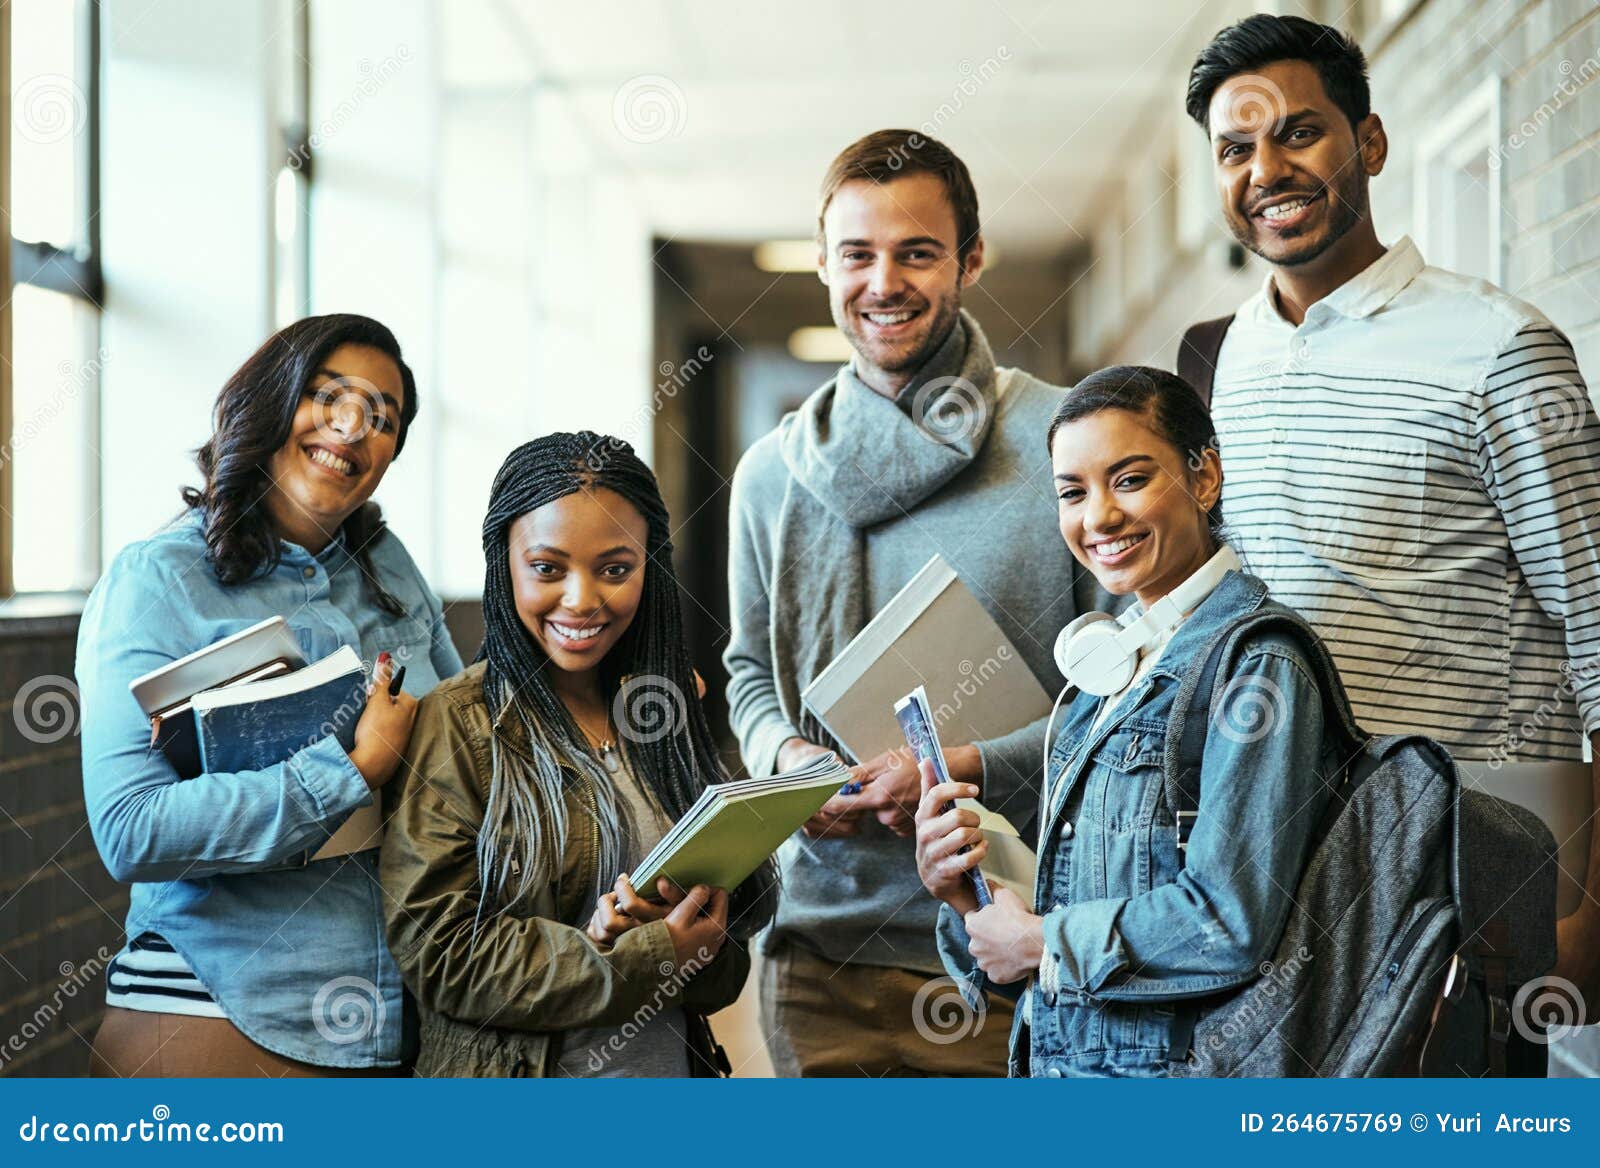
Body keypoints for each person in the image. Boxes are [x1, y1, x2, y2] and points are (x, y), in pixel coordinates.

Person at [1182, 13, 1600, 1012]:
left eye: (1298, 132)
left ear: (1367, 142)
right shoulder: (1225, 359)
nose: (1265, 170)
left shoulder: (1499, 346)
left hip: (1484, 858)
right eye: (1234, 149)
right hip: (1292, 861)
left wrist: (1593, 906)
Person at [723, 128, 1085, 1075]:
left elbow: (1127, 700)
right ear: (823, 263)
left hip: (1013, 933)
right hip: (820, 953)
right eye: (858, 253)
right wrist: (789, 758)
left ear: (970, 259)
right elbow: (749, 675)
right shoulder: (770, 476)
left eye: (917, 251)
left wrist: (963, 764)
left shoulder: (1062, 438)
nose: (884, 281)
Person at [917, 365, 1338, 1077]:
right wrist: (971, 898)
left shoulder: (1257, 663)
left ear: (1205, 479)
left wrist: (1045, 941)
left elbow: (1228, 923)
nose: (1099, 517)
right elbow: (1040, 938)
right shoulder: (1105, 672)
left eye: (1131, 479)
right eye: (1073, 493)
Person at [79, 314, 460, 1076]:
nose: (353, 429)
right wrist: (350, 771)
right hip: (215, 1012)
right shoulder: (158, 579)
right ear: (267, 404)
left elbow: (463, 741)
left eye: (382, 417)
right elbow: (129, 831)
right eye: (328, 398)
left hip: (396, 1023)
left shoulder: (389, 568)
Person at [382, 432, 776, 1077]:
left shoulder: (663, 712)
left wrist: (681, 935)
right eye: (547, 568)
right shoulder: (460, 723)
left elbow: (721, 972)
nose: (582, 599)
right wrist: (633, 953)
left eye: (616, 569)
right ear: (503, 562)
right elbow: (442, 959)